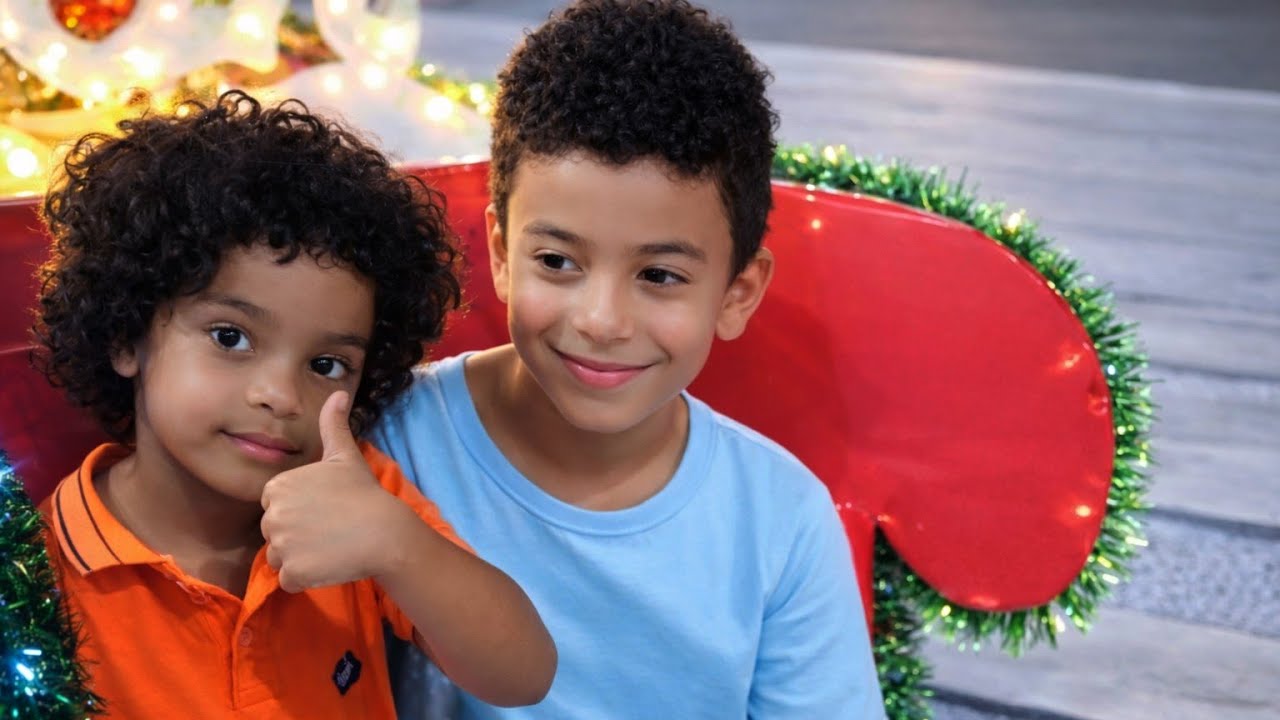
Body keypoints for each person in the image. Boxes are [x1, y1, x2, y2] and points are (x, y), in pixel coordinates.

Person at [372, 1, 885, 717]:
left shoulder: (781, 523)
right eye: (556, 260)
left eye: (659, 276)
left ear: (737, 294)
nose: (601, 321)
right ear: (499, 253)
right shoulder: (393, 440)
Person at [33, 91, 556, 718]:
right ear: (126, 332)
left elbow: (522, 675)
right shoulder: (37, 571)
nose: (280, 395)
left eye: (326, 365)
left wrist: (397, 545)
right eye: (231, 338)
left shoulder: (357, 499)